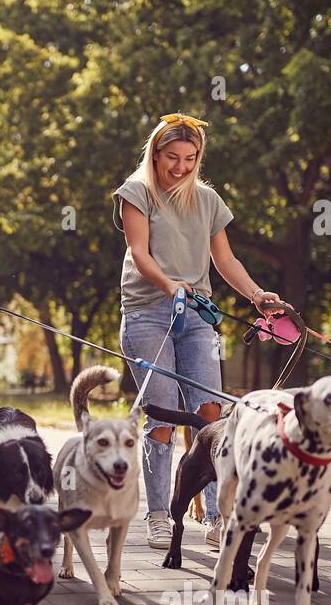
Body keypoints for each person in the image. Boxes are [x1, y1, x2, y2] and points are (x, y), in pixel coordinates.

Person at [113, 113, 284, 550]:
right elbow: (139, 251)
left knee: (212, 417)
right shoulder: (136, 193)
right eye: (172, 157)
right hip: (147, 313)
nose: (182, 167)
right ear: (155, 152)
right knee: (163, 418)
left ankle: (216, 515)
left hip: (197, 316)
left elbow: (225, 260)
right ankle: (158, 515)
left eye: (190, 158)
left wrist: (256, 294)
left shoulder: (207, 200)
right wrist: (170, 285)